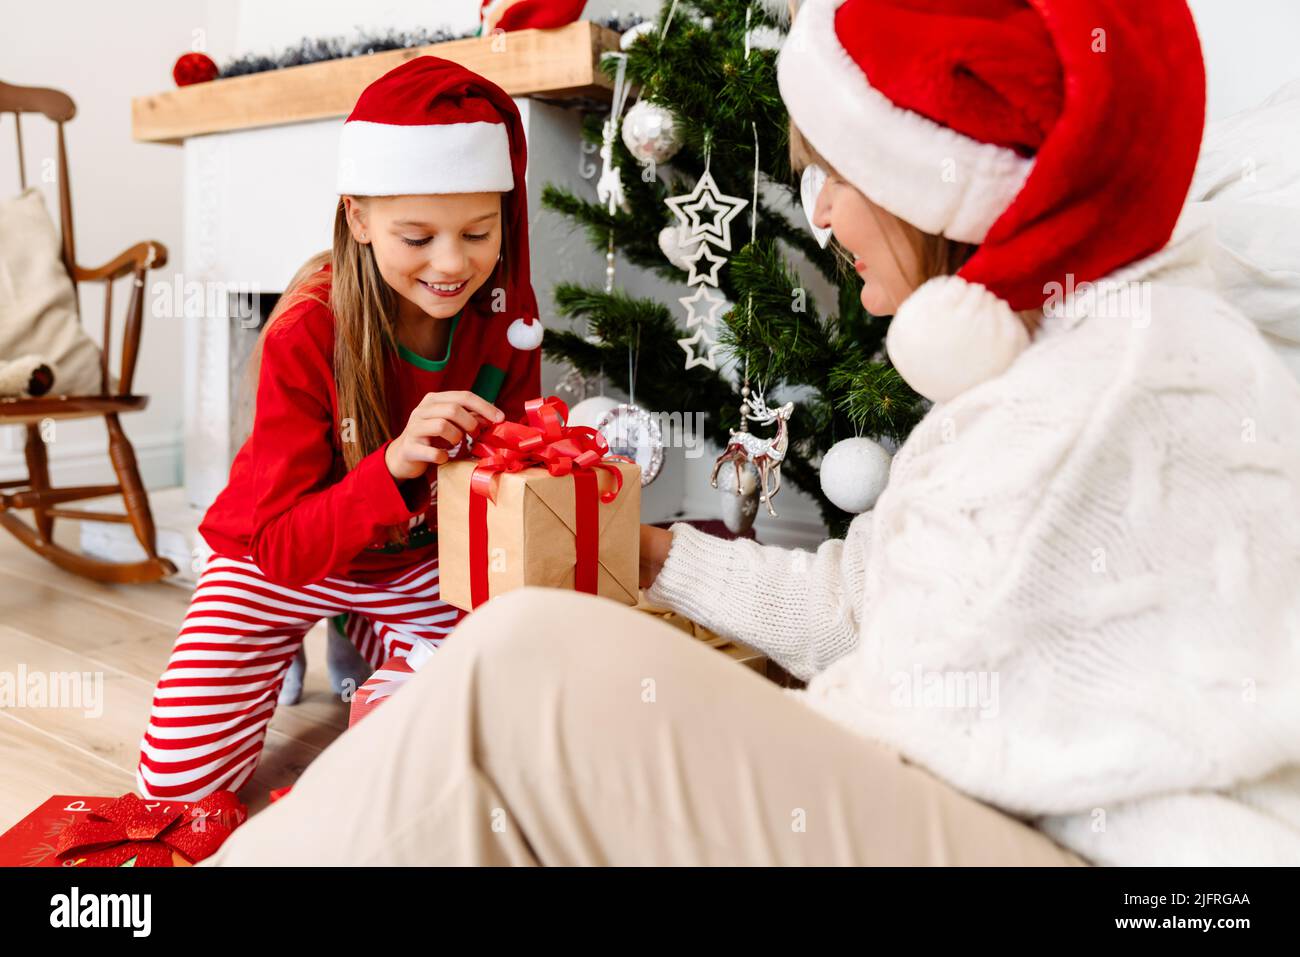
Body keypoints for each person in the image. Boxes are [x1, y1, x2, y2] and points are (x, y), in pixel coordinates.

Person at [207, 0, 1300, 866]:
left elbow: (900, 722)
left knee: (517, 681)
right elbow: (862, 610)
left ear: (943, 186)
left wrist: (636, 751)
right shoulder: (1053, 362)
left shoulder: (1088, 408)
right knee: (521, 660)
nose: (817, 214)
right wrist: (645, 554)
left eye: (840, 175)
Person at [136, 57, 543, 801]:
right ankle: (292, 634)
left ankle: (358, 627)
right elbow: (280, 546)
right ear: (358, 218)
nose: (453, 263)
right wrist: (391, 466)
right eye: (416, 237)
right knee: (177, 785)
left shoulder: (506, 318)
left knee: (491, 732)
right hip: (277, 556)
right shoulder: (306, 330)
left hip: (411, 563)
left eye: (478, 232)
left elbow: (505, 482)